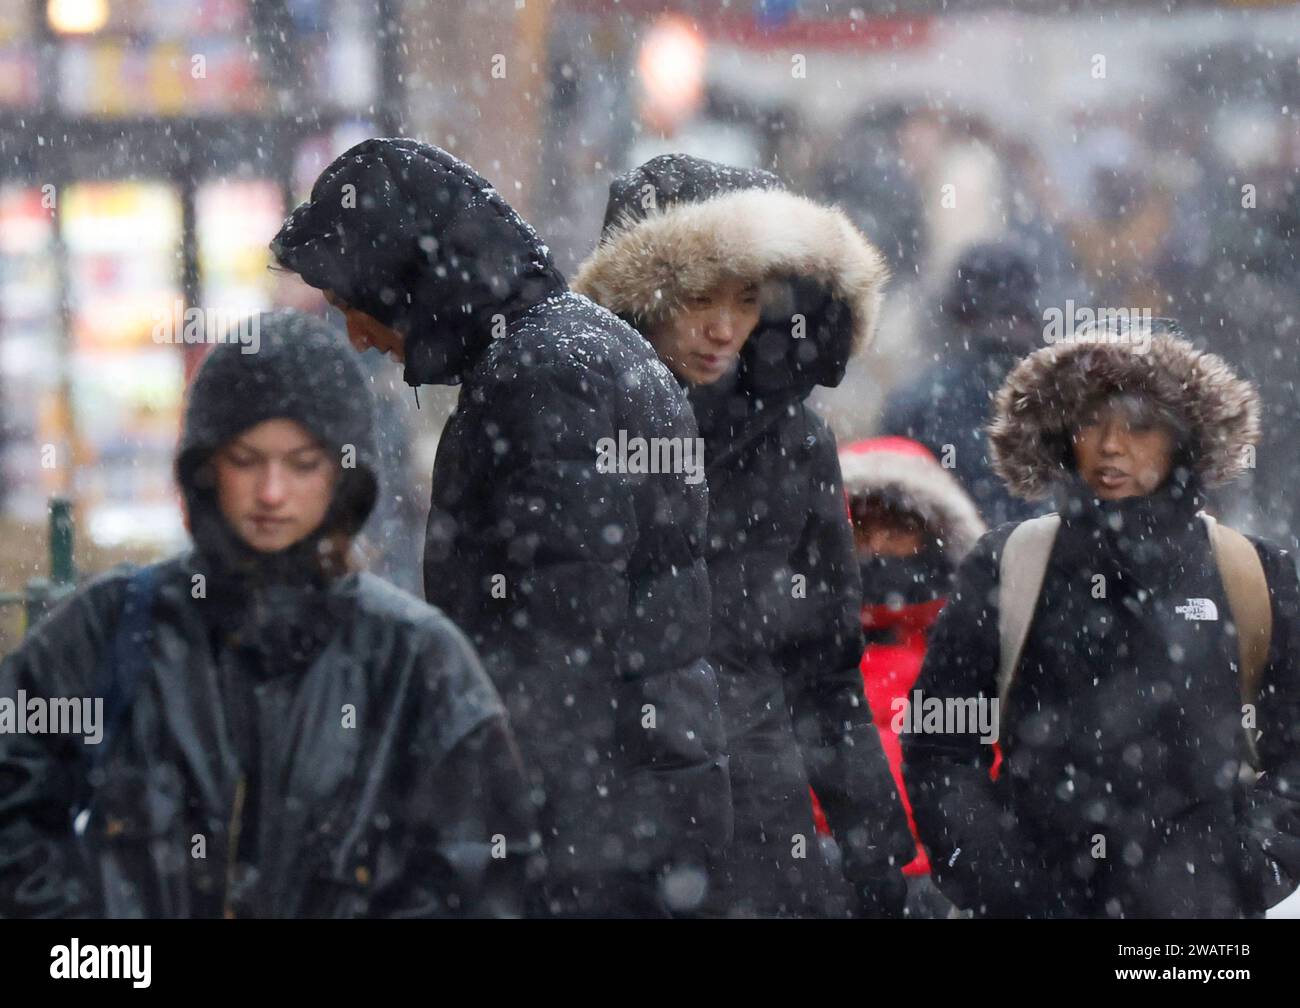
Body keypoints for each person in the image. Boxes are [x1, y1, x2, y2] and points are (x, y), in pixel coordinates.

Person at [269, 138, 729, 916]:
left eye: (353, 301)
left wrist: (482, 825)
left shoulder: (543, 378)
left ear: (402, 278)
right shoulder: (563, 350)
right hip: (639, 804)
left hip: (600, 829)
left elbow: (560, 635)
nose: (354, 333)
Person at [0, 311, 536, 917]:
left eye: (303, 464)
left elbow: (477, 874)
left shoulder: (414, 660)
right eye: (246, 459)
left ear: (342, 476)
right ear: (207, 468)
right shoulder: (109, 631)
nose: (271, 492)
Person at [574, 153, 913, 917]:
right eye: (698, 293)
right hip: (605, 828)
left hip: (756, 833)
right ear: (641, 289)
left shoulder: (795, 446)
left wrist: (878, 855)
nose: (724, 326)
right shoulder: (572, 425)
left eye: (748, 296)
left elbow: (826, 669)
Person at [903, 318, 1300, 918]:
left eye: (1140, 426)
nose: (1112, 446)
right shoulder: (1009, 563)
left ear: (1183, 439)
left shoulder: (1254, 573)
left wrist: (1250, 867)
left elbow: (1292, 750)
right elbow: (940, 741)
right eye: (1091, 422)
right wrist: (993, 873)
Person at [815, 435, 985, 916]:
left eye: (897, 527)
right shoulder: (794, 641)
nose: (877, 546)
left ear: (935, 534)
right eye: (861, 526)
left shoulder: (978, 640)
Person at [879, 240, 1047, 527]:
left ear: (956, 312)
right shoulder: (1062, 398)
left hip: (949, 561)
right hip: (1039, 562)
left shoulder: (915, 403)